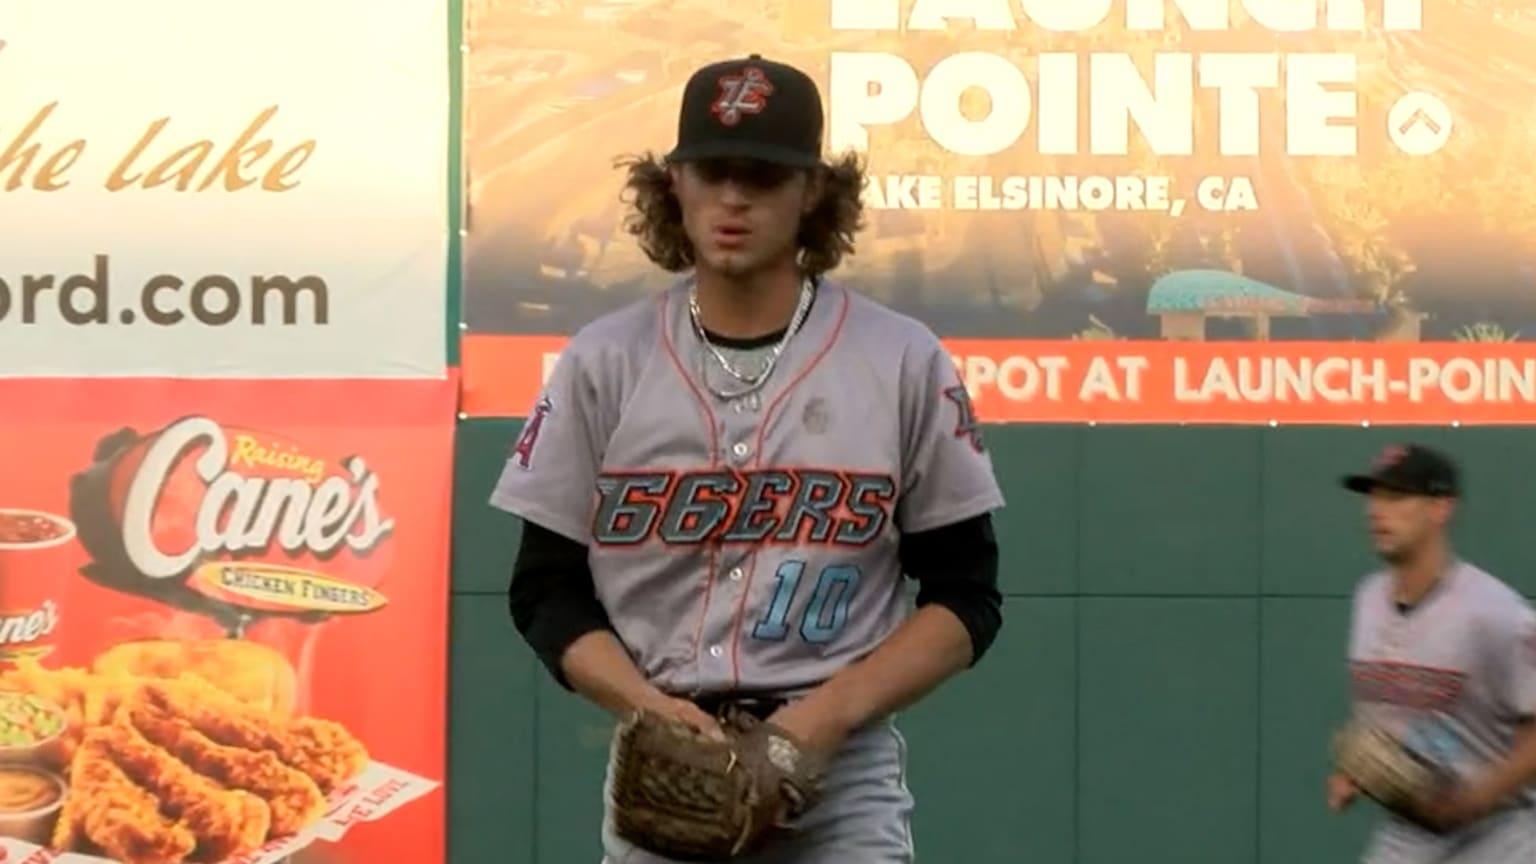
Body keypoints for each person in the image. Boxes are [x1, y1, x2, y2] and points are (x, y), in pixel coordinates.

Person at [488, 53, 1006, 863]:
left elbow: (966, 598)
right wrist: (646, 706)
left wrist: (822, 720)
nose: (733, 198)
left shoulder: (902, 361)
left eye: (762, 177)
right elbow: (545, 590)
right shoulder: (603, 362)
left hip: (840, 772)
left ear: (812, 196)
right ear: (675, 188)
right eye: (712, 172)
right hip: (666, 766)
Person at [1328, 443, 1536, 862]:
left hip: (1498, 838)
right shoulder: (1368, 600)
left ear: (1441, 507)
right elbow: (1394, 714)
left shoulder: (1497, 613)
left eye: (1396, 496)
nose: (1375, 511)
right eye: (1373, 496)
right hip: (1408, 834)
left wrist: (1476, 798)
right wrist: (1359, 775)